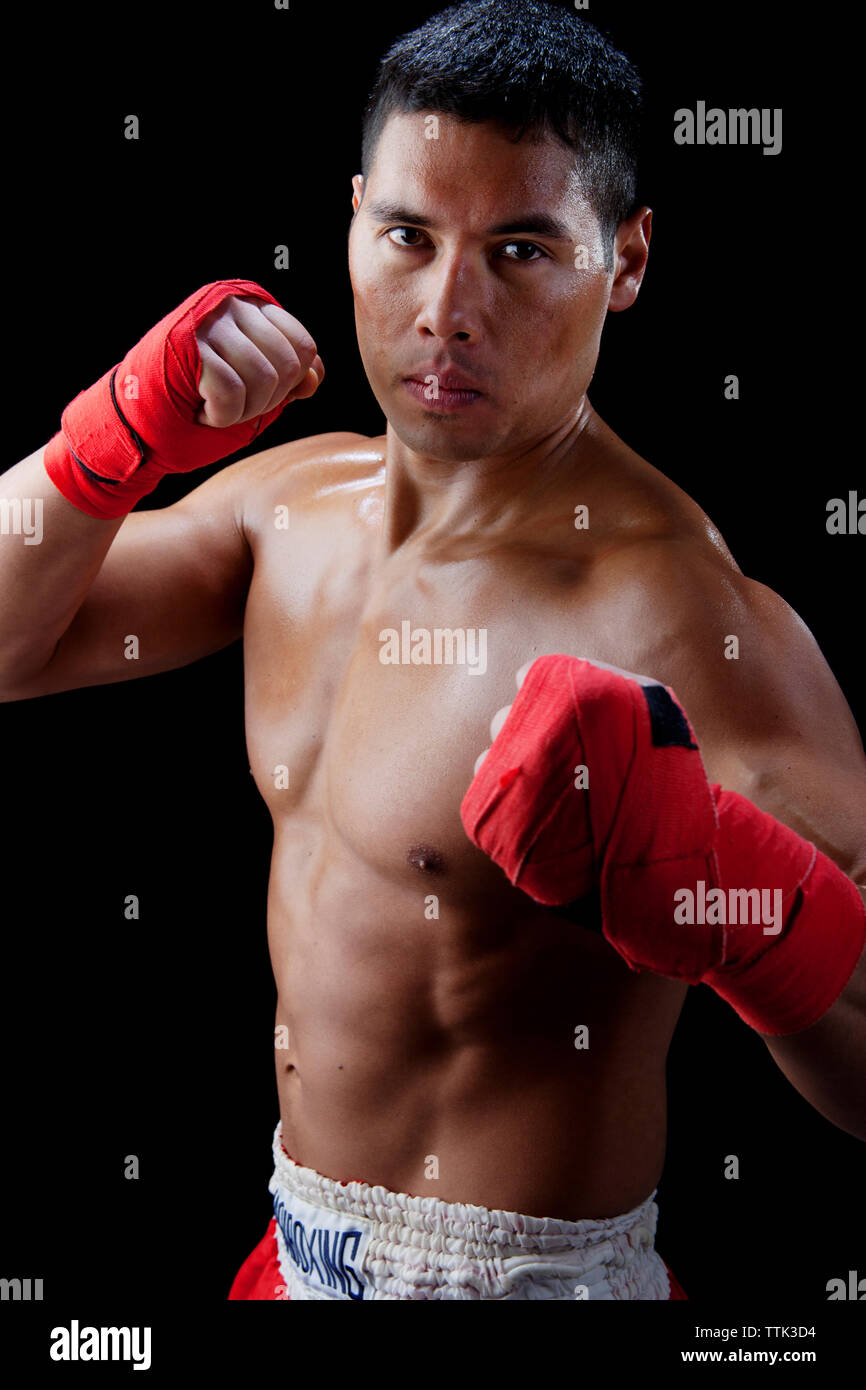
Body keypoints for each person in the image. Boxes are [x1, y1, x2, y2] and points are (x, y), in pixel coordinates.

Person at [1, 0, 863, 1301]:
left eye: (519, 251)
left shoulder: (680, 614)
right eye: (406, 235)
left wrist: (714, 883)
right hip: (288, 1259)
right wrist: (101, 444)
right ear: (351, 215)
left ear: (624, 261)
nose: (443, 310)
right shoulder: (289, 507)